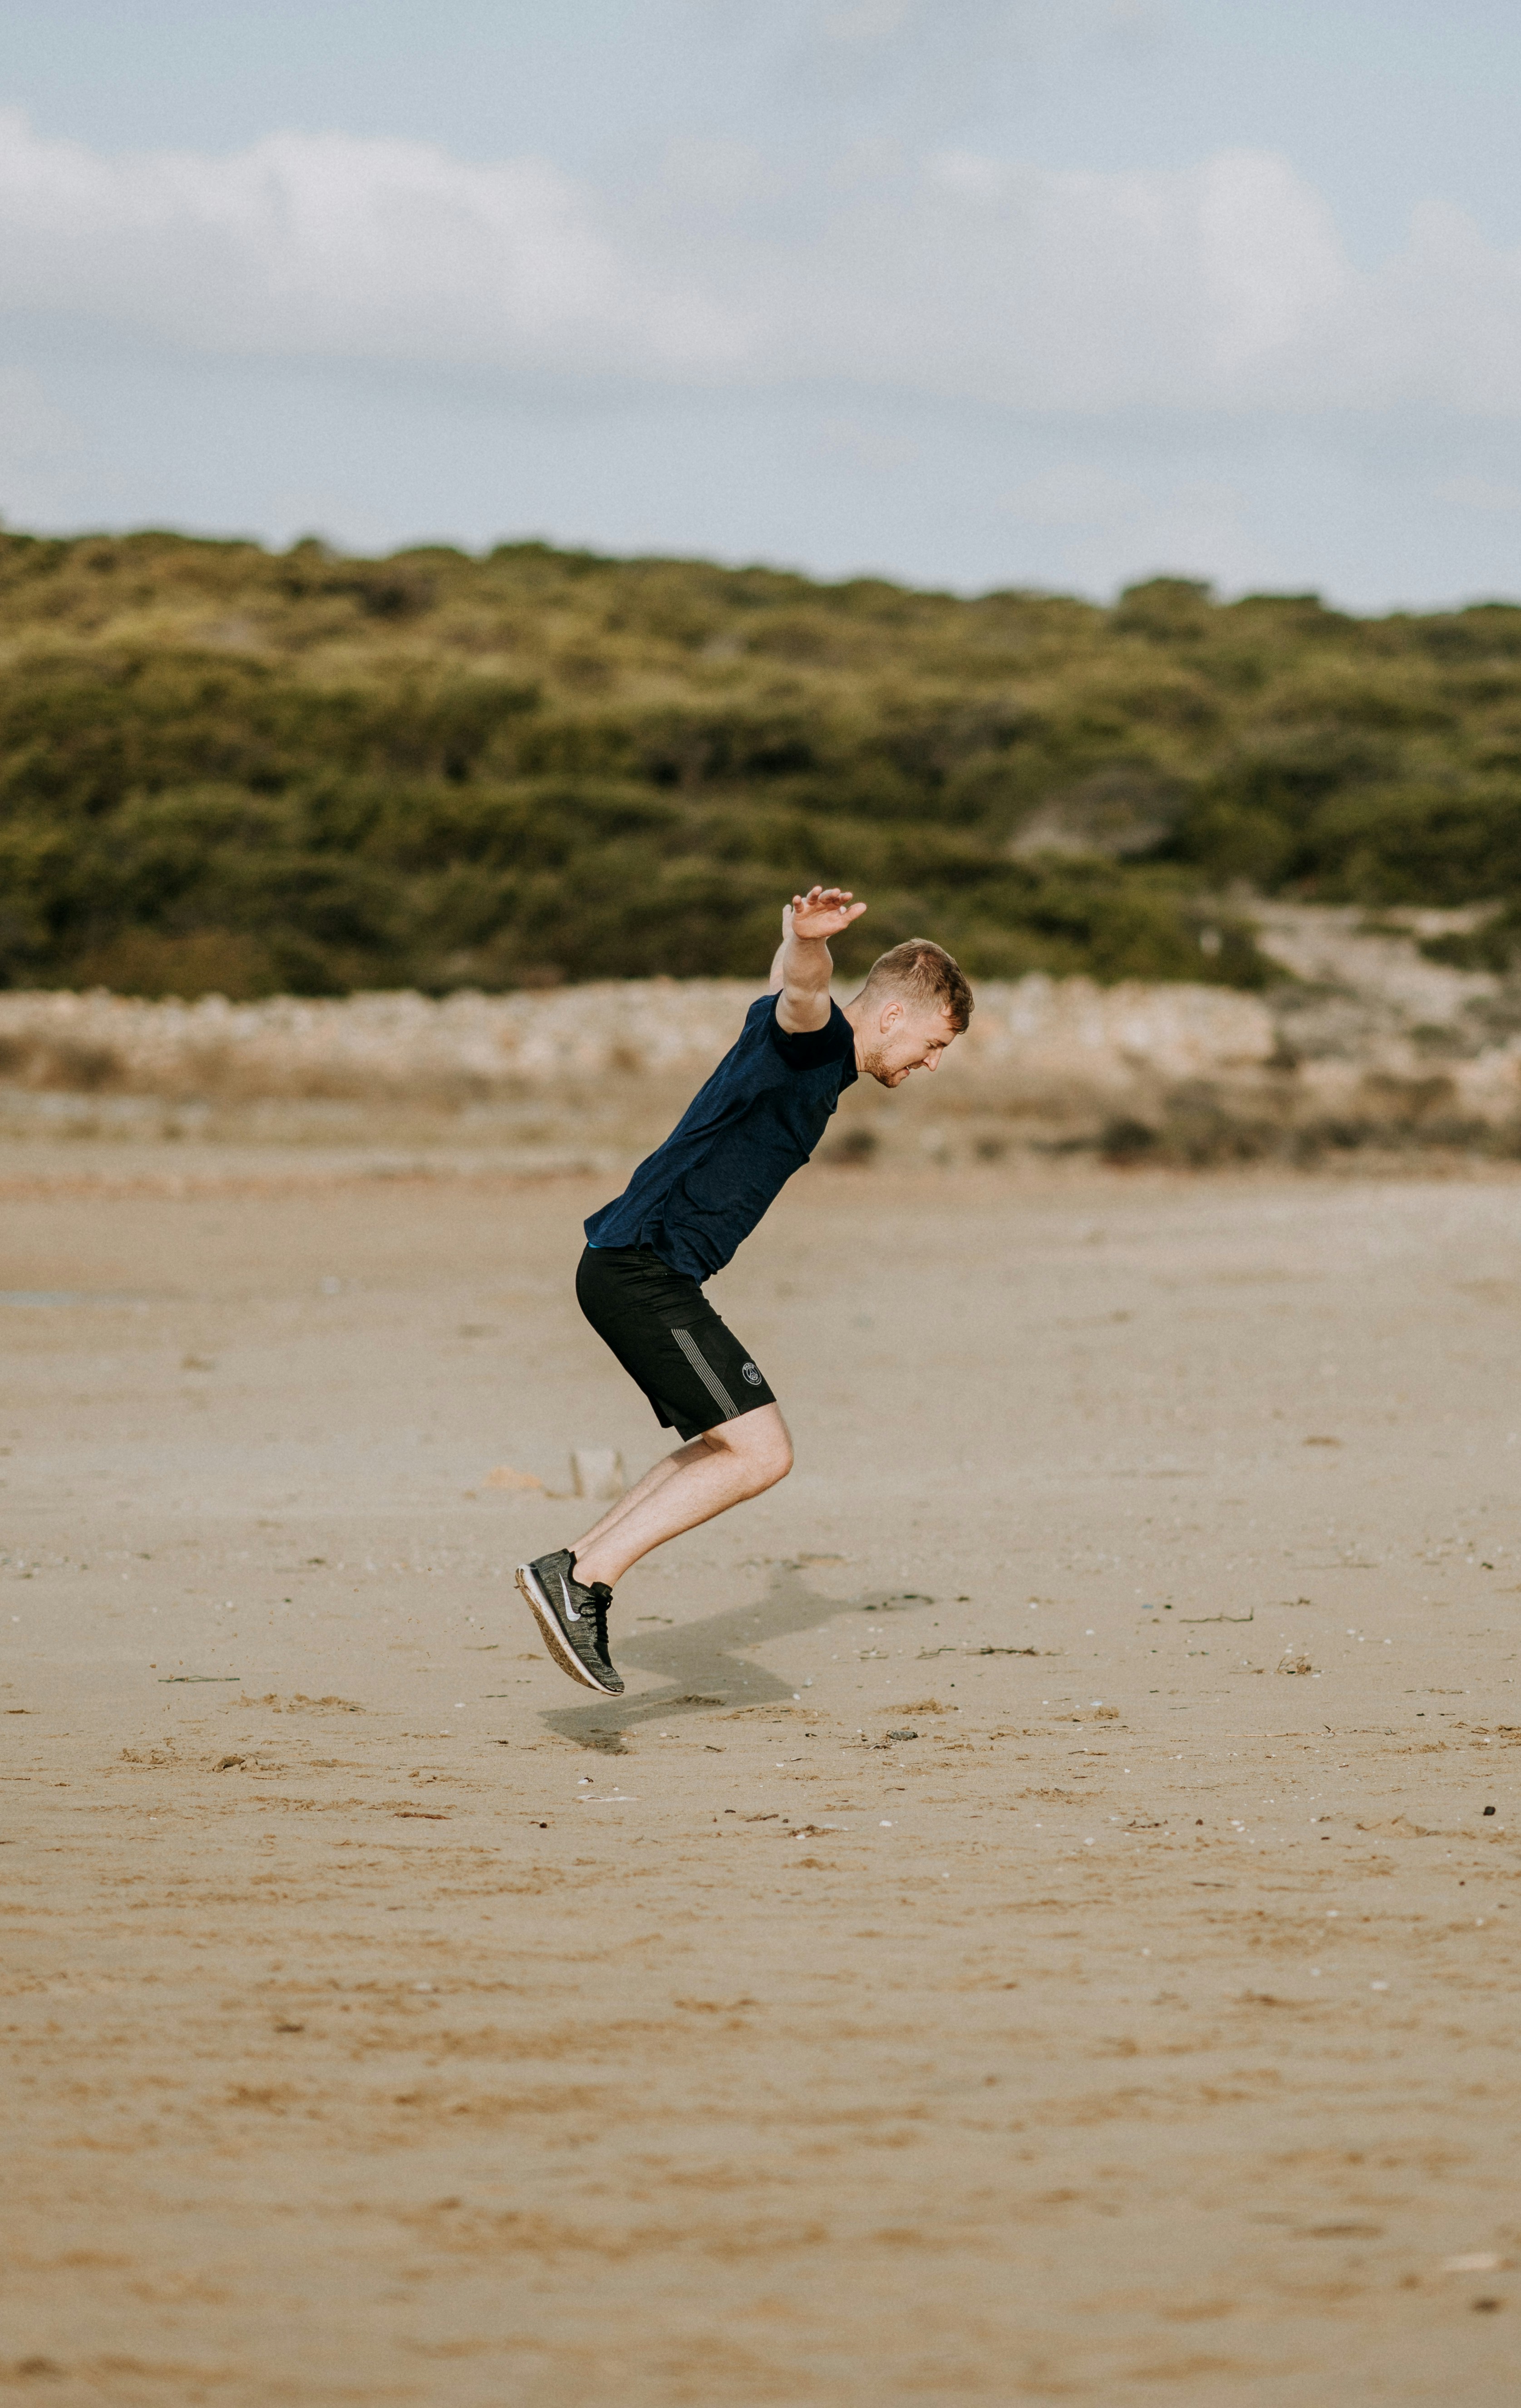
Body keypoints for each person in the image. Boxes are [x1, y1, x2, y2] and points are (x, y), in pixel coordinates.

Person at [516, 885, 973, 1693]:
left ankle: (574, 1568)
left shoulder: (799, 1048)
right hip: (641, 1269)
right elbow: (802, 992)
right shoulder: (813, 1041)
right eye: (934, 1045)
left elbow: (778, 985)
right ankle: (583, 1580)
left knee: (724, 1443)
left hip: (635, 1266)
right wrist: (807, 941)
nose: (931, 1065)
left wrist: (787, 940)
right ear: (893, 1018)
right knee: (762, 1453)